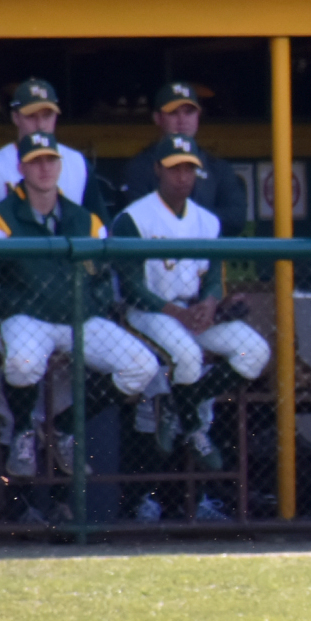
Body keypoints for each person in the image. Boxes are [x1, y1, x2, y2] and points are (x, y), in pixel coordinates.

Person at [0, 132, 158, 523]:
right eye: (35, 161)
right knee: (21, 363)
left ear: (60, 165)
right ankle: (23, 429)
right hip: (24, 319)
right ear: (20, 167)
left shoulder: (85, 219)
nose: (44, 167)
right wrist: (20, 305)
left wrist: (86, 305)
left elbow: (105, 280)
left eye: (50, 160)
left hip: (77, 320)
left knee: (142, 365)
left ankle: (65, 427)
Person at [113, 134, 271, 513]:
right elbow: (131, 288)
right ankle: (195, 427)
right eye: (175, 168)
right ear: (158, 170)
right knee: (186, 357)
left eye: (189, 169)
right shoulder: (134, 218)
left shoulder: (207, 221)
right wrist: (177, 312)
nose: (183, 176)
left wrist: (210, 302)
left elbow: (214, 273)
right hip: (149, 314)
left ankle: (181, 404)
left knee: (255, 350)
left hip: (193, 313)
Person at [0, 78, 106, 228]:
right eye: (31, 116)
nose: (40, 125)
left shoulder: (78, 164)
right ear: (15, 117)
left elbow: (103, 230)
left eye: (47, 116)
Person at [118, 82, 249, 232]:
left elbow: (236, 219)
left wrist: (189, 219)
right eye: (173, 113)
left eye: (189, 112)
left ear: (198, 116)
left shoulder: (217, 167)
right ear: (157, 118)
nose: (182, 120)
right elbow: (135, 219)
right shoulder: (139, 167)